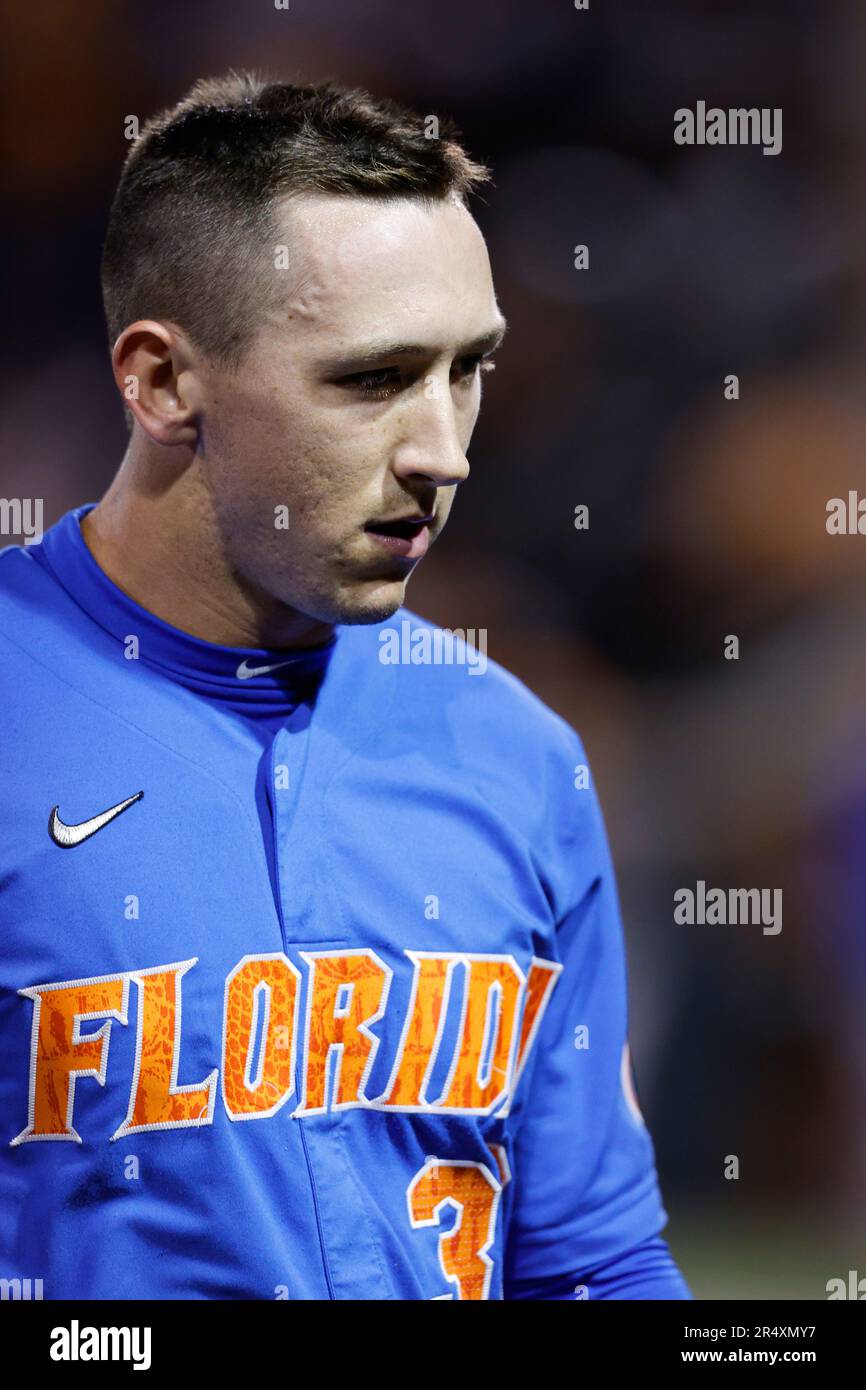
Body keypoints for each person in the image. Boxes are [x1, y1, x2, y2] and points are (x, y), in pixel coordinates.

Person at [0, 72, 690, 1300]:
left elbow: (590, 1263)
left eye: (465, 370)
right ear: (161, 383)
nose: (443, 450)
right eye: (370, 381)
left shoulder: (517, 757)